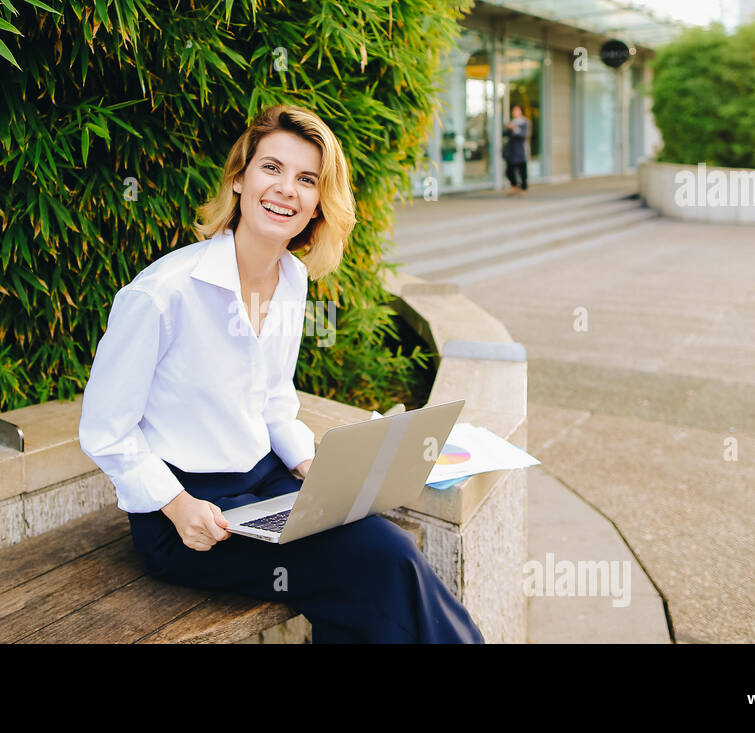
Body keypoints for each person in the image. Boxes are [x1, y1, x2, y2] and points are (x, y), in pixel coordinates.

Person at [78, 104, 485, 644]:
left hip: (267, 485)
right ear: (240, 179)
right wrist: (176, 505)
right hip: (187, 516)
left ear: (319, 202)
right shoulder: (161, 294)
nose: (286, 189)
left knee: (371, 571)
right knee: (383, 558)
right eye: (271, 168)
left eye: (306, 178)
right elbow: (105, 429)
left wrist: (311, 464)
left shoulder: (292, 279)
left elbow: (272, 399)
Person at [502, 104, 530, 196]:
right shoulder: (511, 122)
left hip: (521, 149)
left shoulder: (525, 122)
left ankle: (523, 188)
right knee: (509, 170)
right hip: (511, 149)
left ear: (521, 111)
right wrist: (508, 128)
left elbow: (523, 135)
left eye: (516, 110)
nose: (514, 112)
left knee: (522, 169)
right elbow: (505, 134)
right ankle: (514, 186)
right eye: (514, 110)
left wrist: (514, 128)